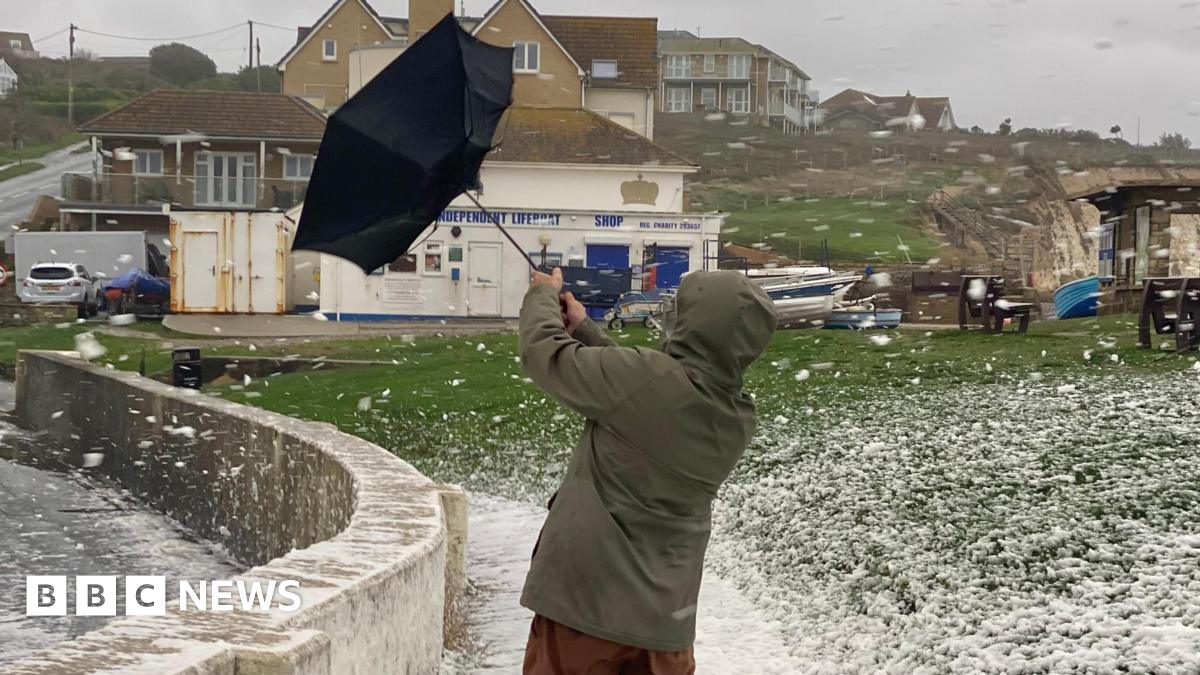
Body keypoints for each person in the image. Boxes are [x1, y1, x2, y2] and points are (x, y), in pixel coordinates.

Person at [518, 267, 777, 675]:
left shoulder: (645, 383)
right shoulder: (736, 417)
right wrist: (586, 330)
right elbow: (648, 390)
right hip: (665, 633)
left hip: (588, 617)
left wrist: (543, 297)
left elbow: (542, 354)